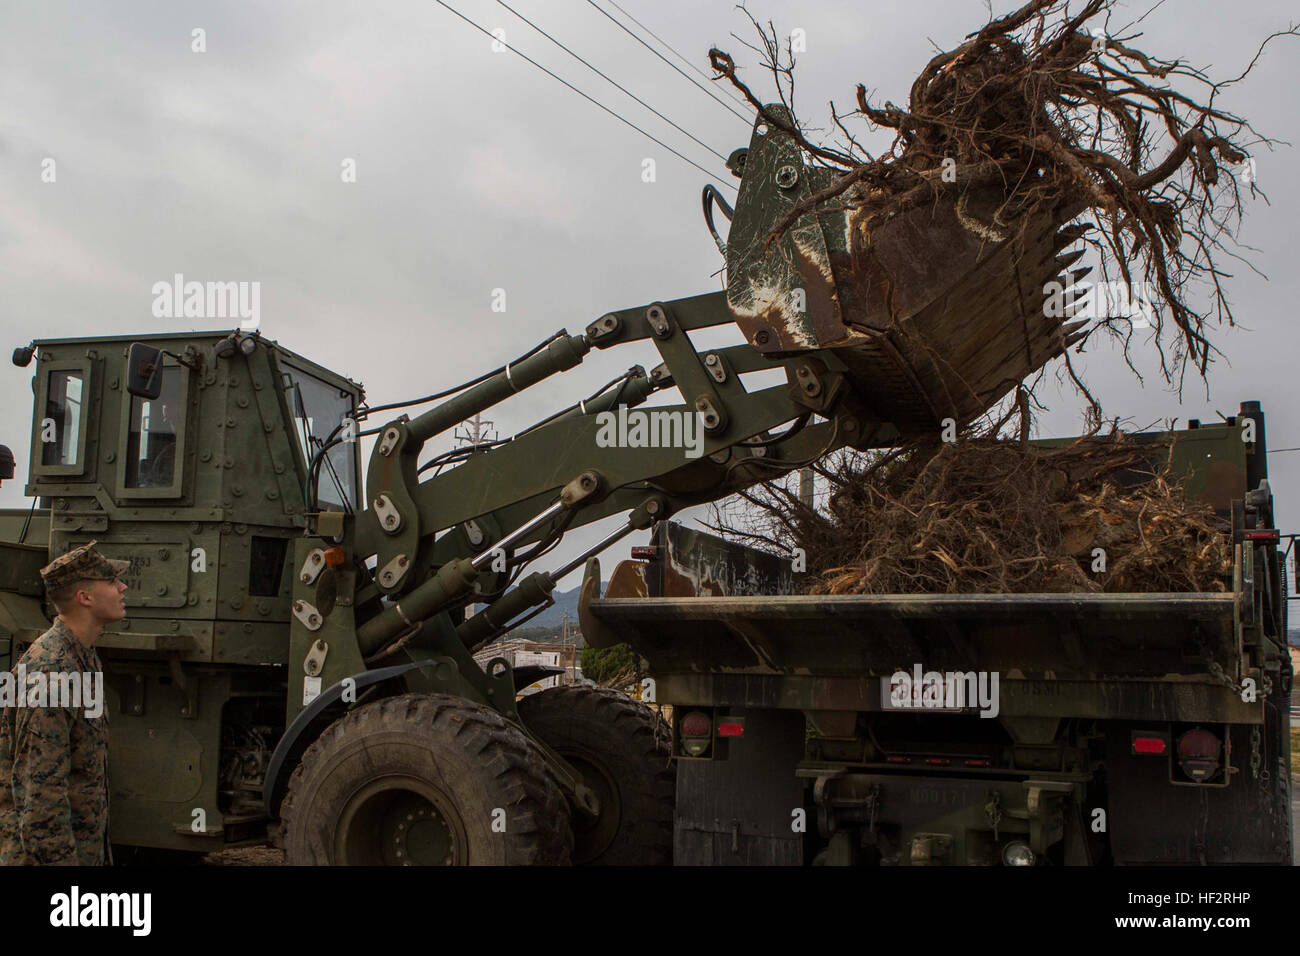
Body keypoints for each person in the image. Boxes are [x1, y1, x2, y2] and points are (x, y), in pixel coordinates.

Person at [0, 541, 128, 865]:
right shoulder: (53, 673)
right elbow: (41, 794)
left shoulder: (82, 658)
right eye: (112, 582)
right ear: (85, 598)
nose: (122, 587)